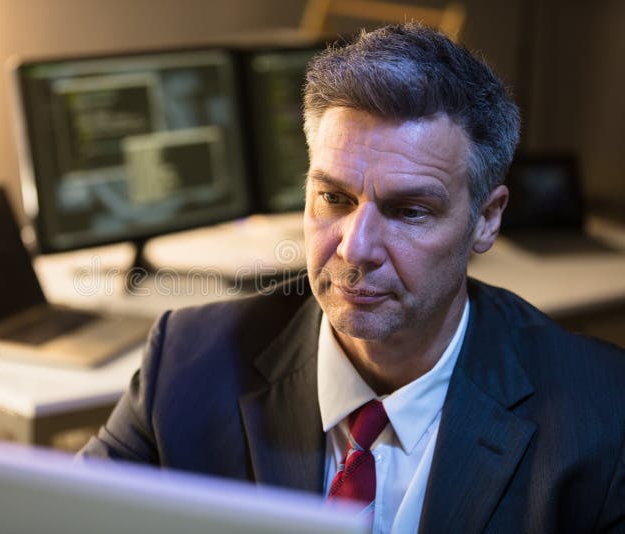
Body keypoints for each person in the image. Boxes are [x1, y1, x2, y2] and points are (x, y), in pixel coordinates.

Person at [79, 23, 625, 532]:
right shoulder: (184, 365)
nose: (355, 248)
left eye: (410, 211)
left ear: (486, 219)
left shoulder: (601, 414)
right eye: (334, 198)